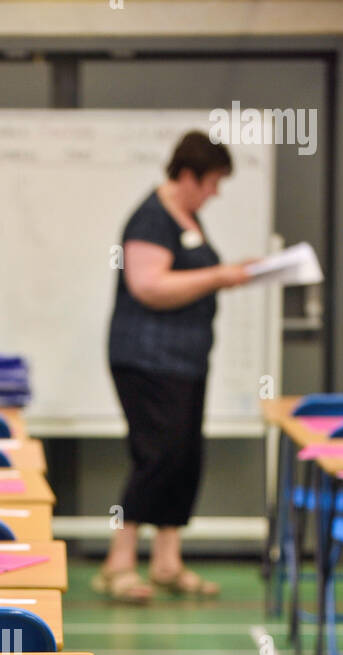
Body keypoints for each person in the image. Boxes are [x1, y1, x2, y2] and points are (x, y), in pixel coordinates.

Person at [94, 130, 251, 603]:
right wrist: (221, 276)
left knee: (184, 456)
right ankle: (117, 562)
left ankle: (167, 561)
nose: (215, 193)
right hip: (145, 359)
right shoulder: (151, 219)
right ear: (188, 175)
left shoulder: (189, 218)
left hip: (185, 361)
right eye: (211, 182)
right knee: (156, 456)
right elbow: (148, 285)